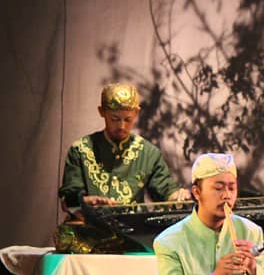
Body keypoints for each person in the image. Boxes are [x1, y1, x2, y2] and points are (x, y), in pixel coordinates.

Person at [57, 83, 190, 213]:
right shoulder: (81, 150)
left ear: (136, 113)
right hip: (90, 225)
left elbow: (165, 189)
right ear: (102, 112)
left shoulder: (148, 153)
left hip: (134, 226)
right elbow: (68, 199)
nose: (122, 126)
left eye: (128, 119)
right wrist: (85, 202)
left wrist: (178, 196)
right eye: (115, 119)